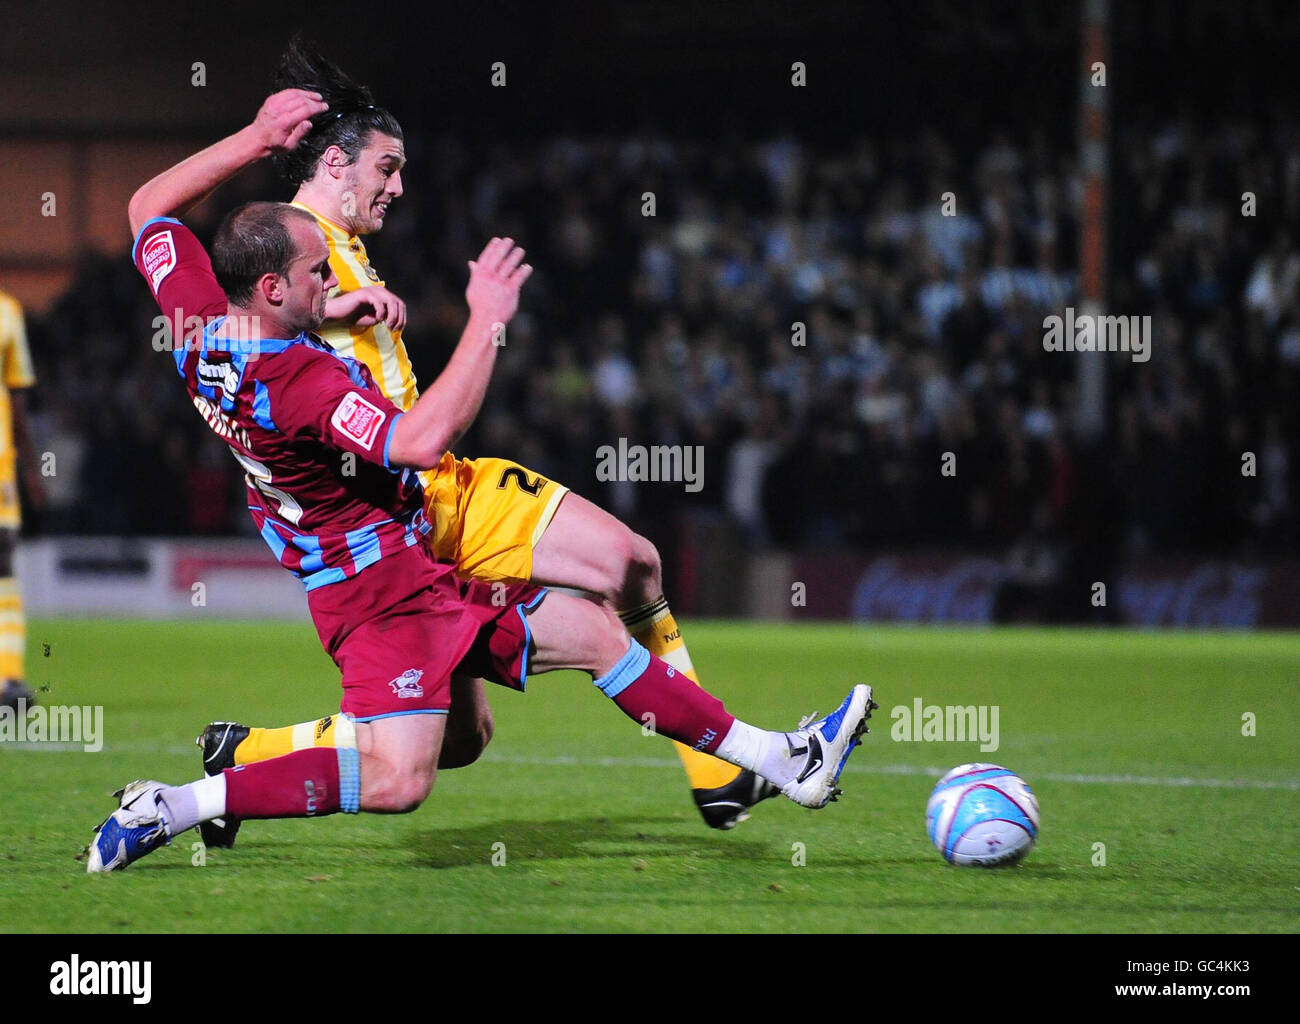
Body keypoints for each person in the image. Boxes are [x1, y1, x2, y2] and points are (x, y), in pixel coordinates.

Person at [86, 94, 876, 871]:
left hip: (408, 567)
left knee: (572, 654)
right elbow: (424, 440)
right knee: (400, 780)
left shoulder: (196, 324)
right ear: (271, 291)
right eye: (316, 275)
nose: (333, 282)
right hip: (381, 594)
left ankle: (780, 760)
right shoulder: (295, 383)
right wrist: (487, 320)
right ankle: (178, 803)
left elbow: (150, 206)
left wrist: (257, 139)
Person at [0, 288, 42, 712]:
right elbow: (18, 398)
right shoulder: (7, 312)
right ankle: (8, 678)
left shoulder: (11, 309)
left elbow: (17, 398)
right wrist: (32, 467)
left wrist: (29, 467)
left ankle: (8, 679)